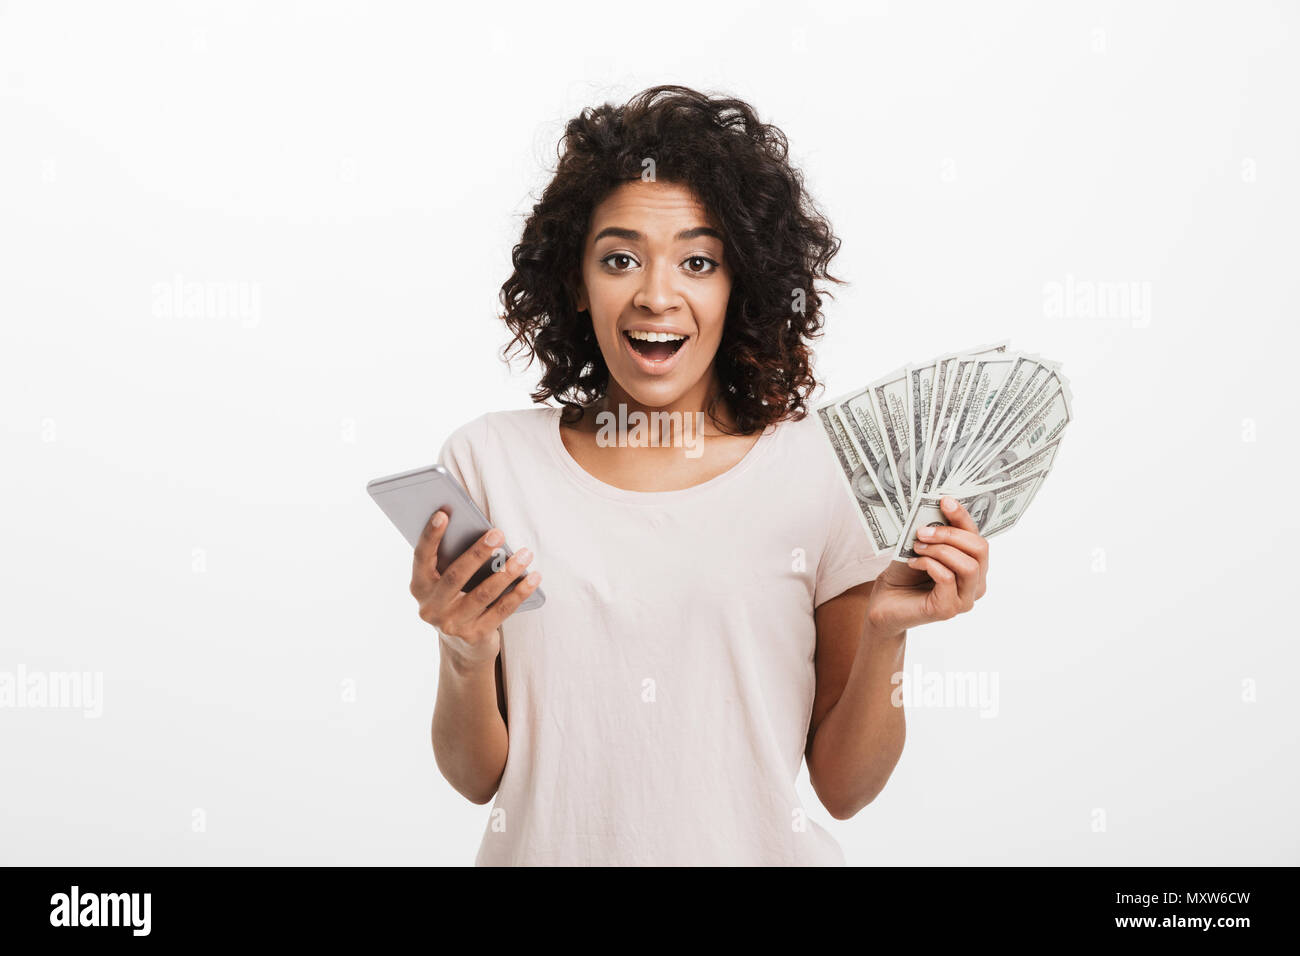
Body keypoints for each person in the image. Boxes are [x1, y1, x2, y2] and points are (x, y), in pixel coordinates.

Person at [410, 85, 991, 866]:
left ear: (738, 282)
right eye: (620, 259)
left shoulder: (819, 470)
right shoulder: (489, 465)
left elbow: (846, 789)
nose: (657, 295)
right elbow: (478, 778)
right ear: (576, 283)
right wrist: (465, 652)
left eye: (698, 261)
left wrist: (887, 634)